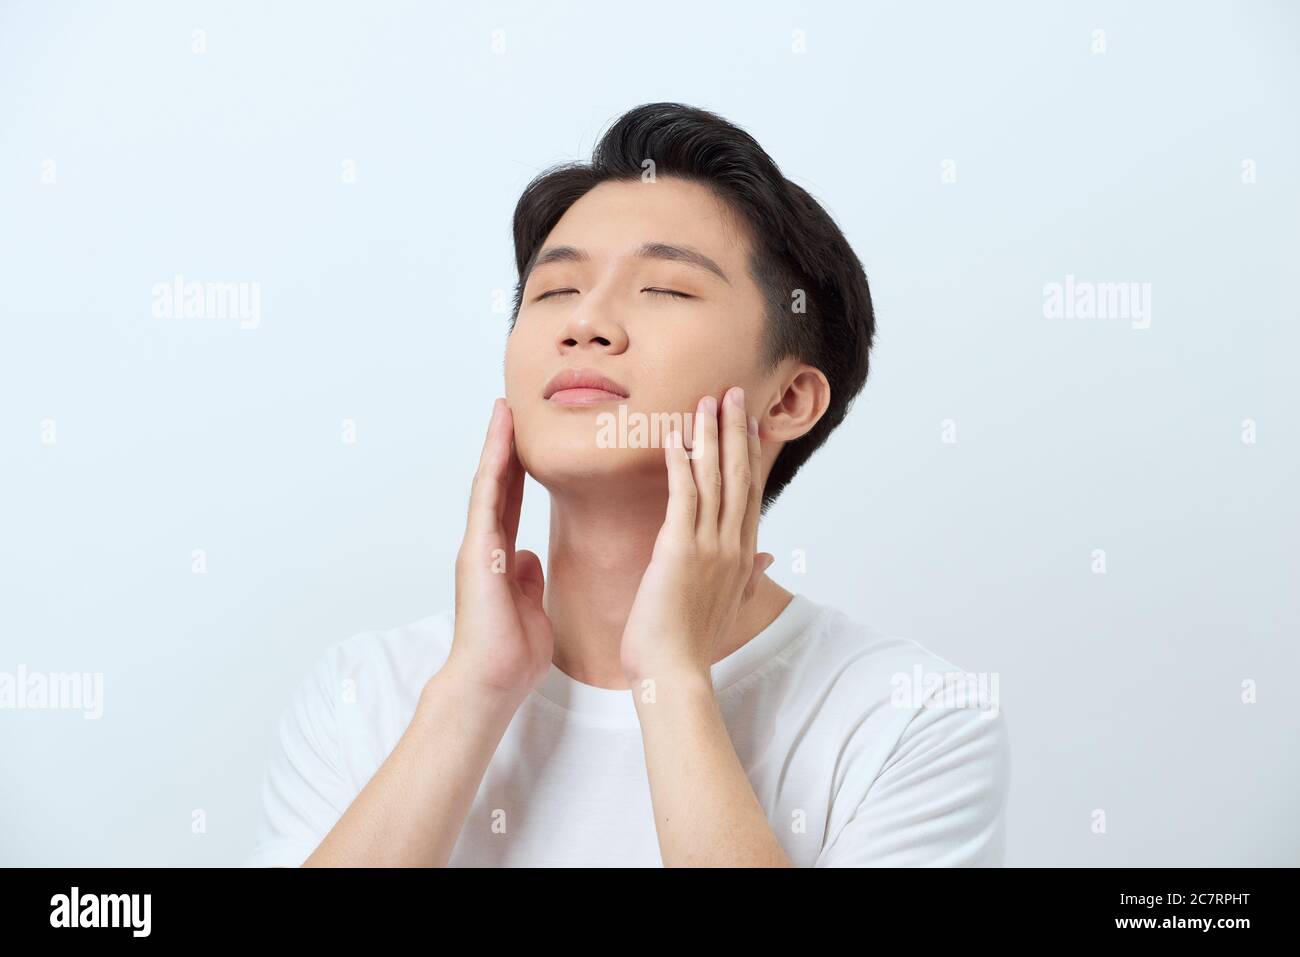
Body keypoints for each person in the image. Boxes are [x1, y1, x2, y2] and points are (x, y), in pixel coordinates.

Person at [245, 102, 1009, 867]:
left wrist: (673, 682)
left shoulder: (906, 718)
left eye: (665, 290)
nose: (585, 324)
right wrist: (475, 691)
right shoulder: (366, 694)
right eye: (553, 292)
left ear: (786, 400)